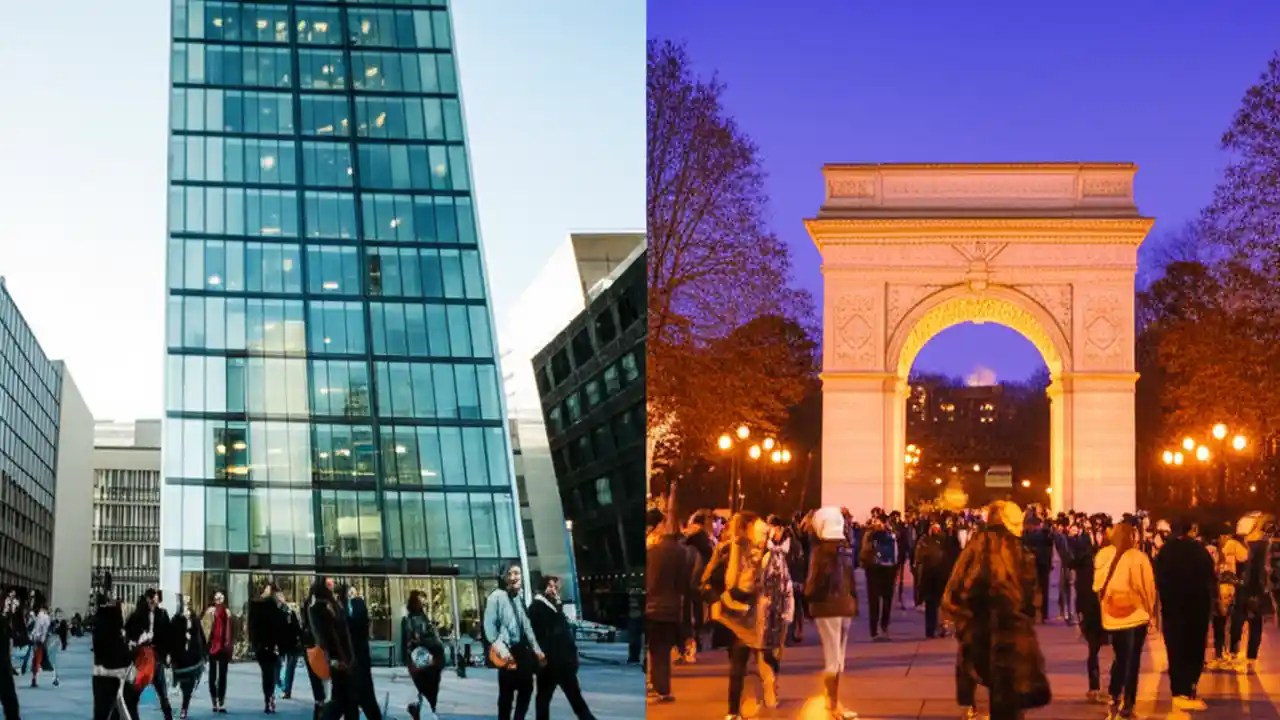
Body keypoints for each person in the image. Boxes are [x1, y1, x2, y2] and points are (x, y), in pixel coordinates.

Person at [943, 501, 1049, 720]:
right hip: (1012, 639)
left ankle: (972, 708)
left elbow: (954, 591)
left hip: (978, 636)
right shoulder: (1019, 551)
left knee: (983, 687)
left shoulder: (975, 546)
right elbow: (1032, 596)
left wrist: (964, 623)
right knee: (1010, 703)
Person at [713, 511, 775, 720]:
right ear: (748, 526)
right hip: (745, 610)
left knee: (739, 664)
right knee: (753, 660)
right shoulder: (744, 550)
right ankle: (751, 703)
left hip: (735, 609)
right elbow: (745, 583)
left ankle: (735, 710)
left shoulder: (728, 548)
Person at [1094, 521, 1156, 720]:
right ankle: (1127, 702)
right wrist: (1151, 612)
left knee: (1119, 657)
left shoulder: (1103, 555)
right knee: (1133, 660)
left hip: (1111, 615)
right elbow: (1147, 588)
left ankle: (1114, 695)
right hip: (1135, 615)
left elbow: (1096, 587)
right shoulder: (1138, 557)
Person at [805, 506, 859, 720]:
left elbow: (815, 583)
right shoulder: (845, 547)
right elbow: (851, 580)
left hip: (827, 607)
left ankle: (832, 705)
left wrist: (808, 597)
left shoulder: (822, 550)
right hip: (845, 606)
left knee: (831, 658)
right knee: (838, 659)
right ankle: (834, 703)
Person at [1154, 517, 1214, 711]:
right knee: (1194, 648)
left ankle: (1177, 689)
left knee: (1175, 648)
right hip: (1197, 607)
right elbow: (1209, 578)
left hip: (1172, 608)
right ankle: (1189, 686)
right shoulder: (1199, 551)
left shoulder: (1165, 551)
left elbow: (1159, 578)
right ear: (1190, 530)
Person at [648, 509, 700, 704]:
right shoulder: (682, 553)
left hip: (652, 607)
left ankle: (656, 686)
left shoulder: (651, 552)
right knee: (663, 649)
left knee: (655, 649)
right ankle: (663, 688)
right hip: (671, 607)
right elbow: (686, 583)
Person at [483, 564, 546, 720]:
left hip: (522, 651)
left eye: (517, 573)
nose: (514, 577)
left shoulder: (519, 598)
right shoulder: (496, 597)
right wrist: (504, 653)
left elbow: (527, 627)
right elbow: (490, 629)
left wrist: (538, 651)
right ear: (503, 577)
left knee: (527, 688)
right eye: (509, 574)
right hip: (506, 651)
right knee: (506, 694)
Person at [529, 576, 595, 720]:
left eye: (555, 587)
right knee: (551, 697)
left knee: (553, 697)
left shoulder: (551, 606)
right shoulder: (537, 608)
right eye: (550, 586)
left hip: (559, 661)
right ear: (542, 587)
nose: (554, 590)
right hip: (553, 661)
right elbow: (546, 634)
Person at [1228, 512, 1274, 673]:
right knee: (1254, 624)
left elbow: (1251, 569)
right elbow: (1261, 570)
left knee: (1238, 621)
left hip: (1245, 588)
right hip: (1254, 588)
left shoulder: (1248, 542)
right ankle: (1250, 659)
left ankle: (1235, 653)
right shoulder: (1262, 544)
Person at [93, 575, 140, 720]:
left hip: (101, 673)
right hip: (116, 675)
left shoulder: (100, 626)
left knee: (103, 710)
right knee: (125, 709)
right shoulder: (116, 632)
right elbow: (124, 656)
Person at [401, 589, 446, 719]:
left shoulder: (422, 616)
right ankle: (423, 710)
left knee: (430, 687)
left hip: (430, 654)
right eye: (421, 600)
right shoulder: (411, 619)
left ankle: (421, 709)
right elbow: (413, 639)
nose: (423, 603)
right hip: (422, 656)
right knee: (428, 687)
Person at [343, 586, 385, 720]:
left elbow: (354, 626)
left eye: (352, 593)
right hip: (359, 658)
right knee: (362, 698)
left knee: (359, 698)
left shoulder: (354, 606)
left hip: (355, 659)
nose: (350, 595)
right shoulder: (356, 607)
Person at [858, 515, 898, 642]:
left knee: (887, 600)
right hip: (874, 569)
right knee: (874, 601)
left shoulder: (891, 534)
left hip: (888, 569)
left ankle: (884, 627)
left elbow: (897, 549)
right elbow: (864, 550)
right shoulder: (870, 534)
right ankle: (874, 630)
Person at [168, 594, 207, 720]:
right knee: (179, 683)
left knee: (188, 687)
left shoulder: (195, 619)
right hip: (179, 657)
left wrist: (204, 654)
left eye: (188, 601)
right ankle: (172, 708)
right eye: (184, 601)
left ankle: (184, 707)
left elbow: (201, 636)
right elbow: (171, 637)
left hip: (192, 657)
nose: (186, 605)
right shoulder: (175, 620)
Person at [249, 582, 283, 714]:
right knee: (272, 672)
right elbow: (278, 625)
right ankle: (270, 697)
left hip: (262, 644)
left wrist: (254, 643)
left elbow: (252, 627)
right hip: (270, 644)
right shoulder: (271, 605)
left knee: (267, 673)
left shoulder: (256, 605)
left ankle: (268, 698)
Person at [914, 519, 949, 639]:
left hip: (940, 575)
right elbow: (919, 558)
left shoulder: (944, 541)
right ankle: (930, 629)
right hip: (928, 575)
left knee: (940, 604)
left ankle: (940, 627)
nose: (935, 529)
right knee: (931, 604)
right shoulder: (924, 541)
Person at [202, 590, 233, 713]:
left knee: (223, 676)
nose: (218, 601)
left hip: (223, 648)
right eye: (216, 599)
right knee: (212, 676)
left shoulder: (227, 613)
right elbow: (204, 629)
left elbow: (231, 631)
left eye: (220, 598)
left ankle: (221, 701)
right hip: (212, 647)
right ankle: (214, 700)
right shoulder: (210, 612)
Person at [1021, 516, 1054, 624]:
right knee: (1043, 590)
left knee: (1031, 590)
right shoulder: (1045, 534)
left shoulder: (1029, 536)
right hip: (1042, 564)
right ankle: (1043, 615)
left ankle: (1032, 614)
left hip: (1034, 565)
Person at [275, 588, 303, 700]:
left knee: (288, 667)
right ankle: (284, 687)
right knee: (281, 667)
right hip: (284, 643)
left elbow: (295, 627)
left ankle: (286, 689)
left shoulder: (289, 612)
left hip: (289, 643)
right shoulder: (279, 612)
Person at [0, 590, 21, 720]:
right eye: (9, 602)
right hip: (2, 667)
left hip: (4, 666)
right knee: (10, 702)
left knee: (11, 703)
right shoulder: (2, 621)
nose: (12, 605)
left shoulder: (5, 621)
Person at [28, 599, 55, 688]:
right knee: (38, 659)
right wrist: (43, 640)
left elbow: (33, 627)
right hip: (40, 640)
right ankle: (34, 678)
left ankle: (34, 676)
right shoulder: (46, 617)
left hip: (34, 638)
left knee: (35, 658)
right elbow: (45, 629)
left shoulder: (38, 615)